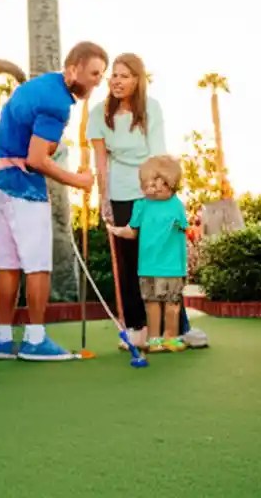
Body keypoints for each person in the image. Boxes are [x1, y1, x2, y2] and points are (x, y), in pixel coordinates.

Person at [0, 41, 106, 361]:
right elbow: (37, 159)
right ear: (72, 69)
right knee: (38, 265)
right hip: (25, 191)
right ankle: (35, 340)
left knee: (8, 264)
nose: (97, 80)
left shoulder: (35, 88)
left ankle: (2, 340)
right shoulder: (57, 102)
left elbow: (30, 144)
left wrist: (54, 150)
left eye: (101, 75)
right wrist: (78, 180)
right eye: (94, 73)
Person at [86, 53, 207, 350]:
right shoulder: (99, 113)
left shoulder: (151, 108)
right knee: (128, 266)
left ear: (138, 80)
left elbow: (157, 154)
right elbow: (101, 161)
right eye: (114, 75)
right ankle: (136, 328)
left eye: (124, 75)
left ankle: (178, 328)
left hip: (152, 194)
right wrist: (103, 198)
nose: (116, 80)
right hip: (120, 194)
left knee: (160, 261)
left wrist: (158, 191)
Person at [106, 155, 189, 353]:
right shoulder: (141, 206)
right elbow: (132, 230)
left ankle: (170, 337)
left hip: (172, 267)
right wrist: (117, 230)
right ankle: (153, 339)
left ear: (172, 185)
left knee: (172, 304)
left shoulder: (177, 205)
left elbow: (183, 229)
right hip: (149, 266)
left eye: (162, 184)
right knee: (152, 304)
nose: (156, 188)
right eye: (151, 184)